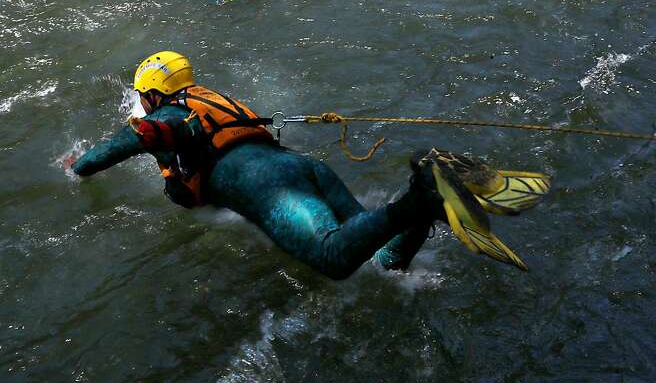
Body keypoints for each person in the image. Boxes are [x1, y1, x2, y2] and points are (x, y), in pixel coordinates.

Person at [69, 51, 444, 279]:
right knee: (380, 257)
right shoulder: (208, 97)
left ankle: (419, 198)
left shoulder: (164, 118)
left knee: (334, 258)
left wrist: (76, 168)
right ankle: (428, 202)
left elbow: (108, 152)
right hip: (302, 166)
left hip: (264, 182)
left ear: (152, 94)